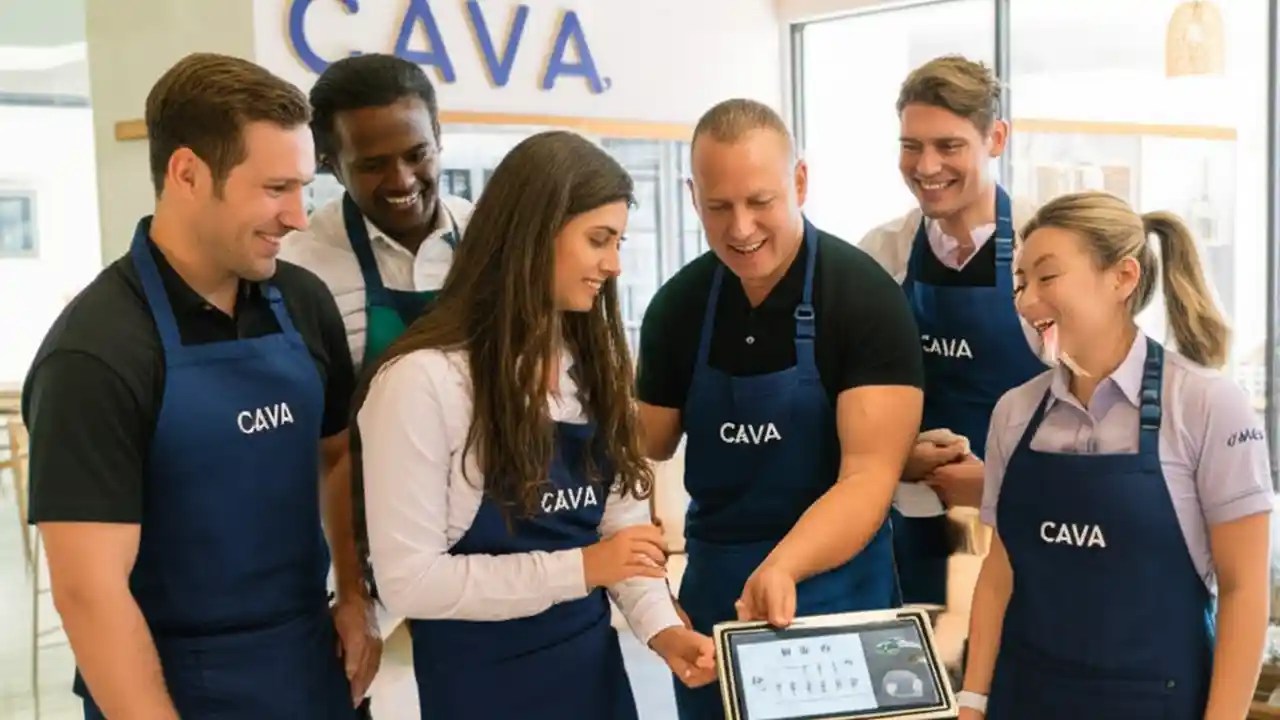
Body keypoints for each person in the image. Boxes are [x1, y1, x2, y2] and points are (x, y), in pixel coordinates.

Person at [21, 53, 372, 718]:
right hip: (173, 681)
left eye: (306, 188)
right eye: (275, 189)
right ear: (187, 173)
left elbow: (334, 456)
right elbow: (89, 593)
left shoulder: (302, 301)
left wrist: (353, 597)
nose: (299, 218)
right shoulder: (95, 355)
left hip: (311, 661)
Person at [353, 130, 717, 719]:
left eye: (618, 241)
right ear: (534, 233)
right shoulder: (423, 383)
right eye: (599, 240)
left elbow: (622, 537)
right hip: (482, 689)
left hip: (592, 677)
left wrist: (663, 630)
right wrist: (582, 568)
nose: (614, 263)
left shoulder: (590, 369)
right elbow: (411, 583)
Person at [637, 98, 926, 719]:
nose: (740, 229)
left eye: (759, 202)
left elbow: (867, 480)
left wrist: (783, 567)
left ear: (799, 181)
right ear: (693, 197)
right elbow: (650, 442)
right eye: (719, 207)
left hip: (837, 585)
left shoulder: (862, 297)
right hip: (718, 592)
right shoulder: (678, 308)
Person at [958, 191, 1273, 720]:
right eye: (1019, 282)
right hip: (1026, 699)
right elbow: (1000, 571)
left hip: (1157, 702)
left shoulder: (1205, 405)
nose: (1026, 300)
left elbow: (1244, 590)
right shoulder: (1013, 413)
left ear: (1122, 278)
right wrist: (971, 701)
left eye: (1047, 277)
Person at [278, 54, 470, 708]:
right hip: (355, 549)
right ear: (331, 165)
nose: (402, 179)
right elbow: (317, 445)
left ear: (439, 138)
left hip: (481, 542)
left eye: (418, 152)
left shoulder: (491, 243)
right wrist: (351, 594)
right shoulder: (300, 267)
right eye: (372, 164)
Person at [859, 55, 1045, 608]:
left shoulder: (1047, 250)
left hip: (1032, 525)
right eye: (911, 146)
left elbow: (1100, 420)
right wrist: (900, 461)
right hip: (912, 528)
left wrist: (995, 485)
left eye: (949, 145)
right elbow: (850, 403)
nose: (927, 164)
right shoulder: (882, 253)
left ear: (996, 139)